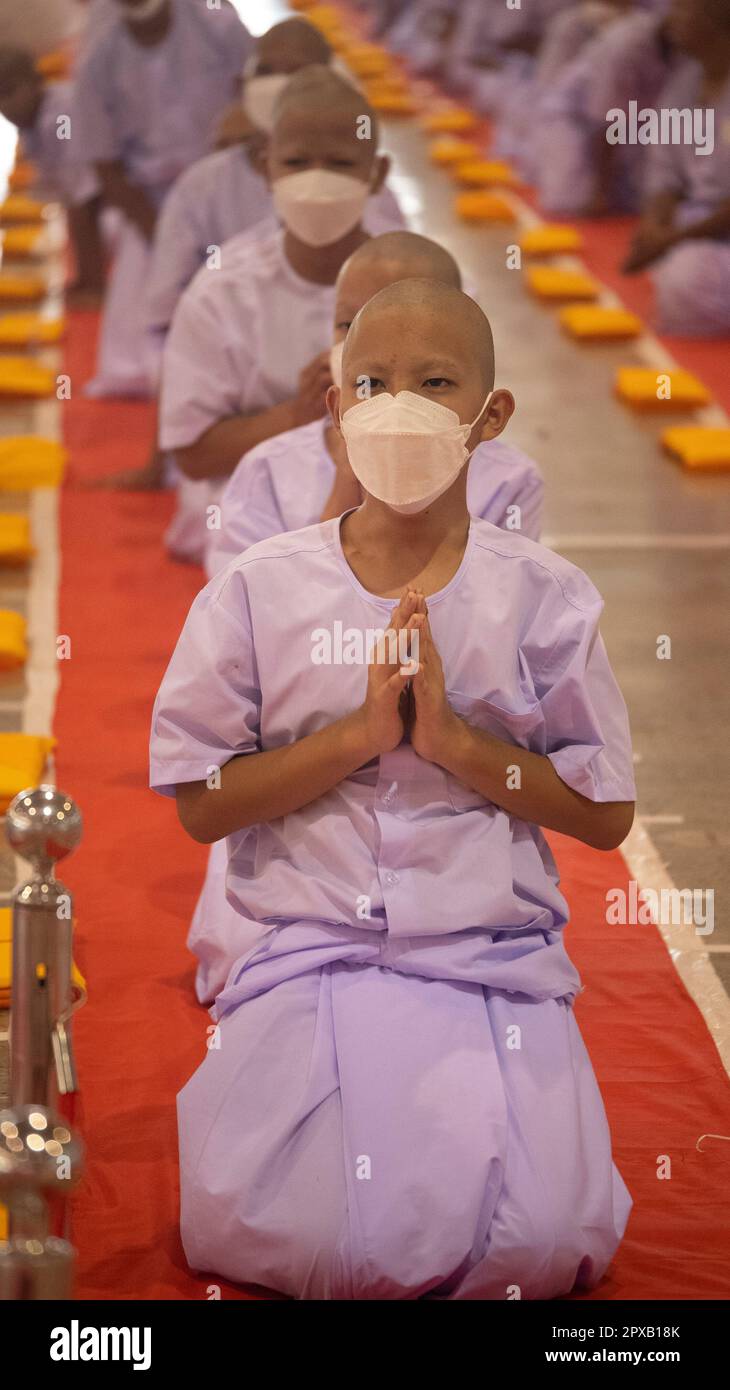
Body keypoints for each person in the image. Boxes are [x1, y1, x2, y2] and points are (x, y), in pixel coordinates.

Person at [150, 277, 635, 1300]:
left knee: (542, 1245)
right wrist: (360, 738)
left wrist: (459, 745)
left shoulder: (540, 596)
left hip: (485, 959)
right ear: (335, 405)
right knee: (313, 1236)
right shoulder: (260, 587)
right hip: (317, 946)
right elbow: (200, 800)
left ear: (489, 416)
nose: (397, 405)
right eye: (371, 381)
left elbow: (604, 813)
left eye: (435, 381)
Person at [190, 230, 544, 1009]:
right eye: (352, 331)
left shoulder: (510, 482)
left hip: (452, 813)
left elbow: (494, 656)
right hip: (294, 797)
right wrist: (350, 493)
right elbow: (244, 635)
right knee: (248, 966)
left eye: (435, 373)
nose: (396, 394)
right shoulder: (272, 469)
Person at [158, 66, 403, 563]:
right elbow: (192, 452)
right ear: (267, 168)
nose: (317, 181)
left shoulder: (419, 288)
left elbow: (467, 418)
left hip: (397, 489)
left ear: (376, 174)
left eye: (338, 163)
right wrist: (297, 415)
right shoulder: (223, 293)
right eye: (297, 162)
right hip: (260, 499)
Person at [73, 0, 252, 395]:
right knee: (133, 362)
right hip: (149, 199)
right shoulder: (99, 59)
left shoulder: (217, 25)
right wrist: (159, 230)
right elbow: (103, 162)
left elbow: (254, 98)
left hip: (225, 179)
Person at [623, 0, 730, 335]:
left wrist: (670, 240)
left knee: (687, 279)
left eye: (684, 11)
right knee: (681, 275)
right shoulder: (686, 78)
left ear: (716, 23)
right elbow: (665, 169)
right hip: (700, 228)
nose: (671, 19)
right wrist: (656, 223)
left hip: (714, 230)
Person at [535, 1, 675, 216]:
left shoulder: (686, 51)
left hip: (634, 121)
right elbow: (608, 124)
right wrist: (599, 193)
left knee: (639, 197)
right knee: (569, 200)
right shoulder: (624, 45)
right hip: (572, 115)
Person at [0, 45, 104, 301]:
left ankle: (96, 282)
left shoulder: (60, 117)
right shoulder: (33, 119)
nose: (6, 106)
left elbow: (83, 200)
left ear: (36, 82)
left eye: (9, 92)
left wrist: (93, 283)